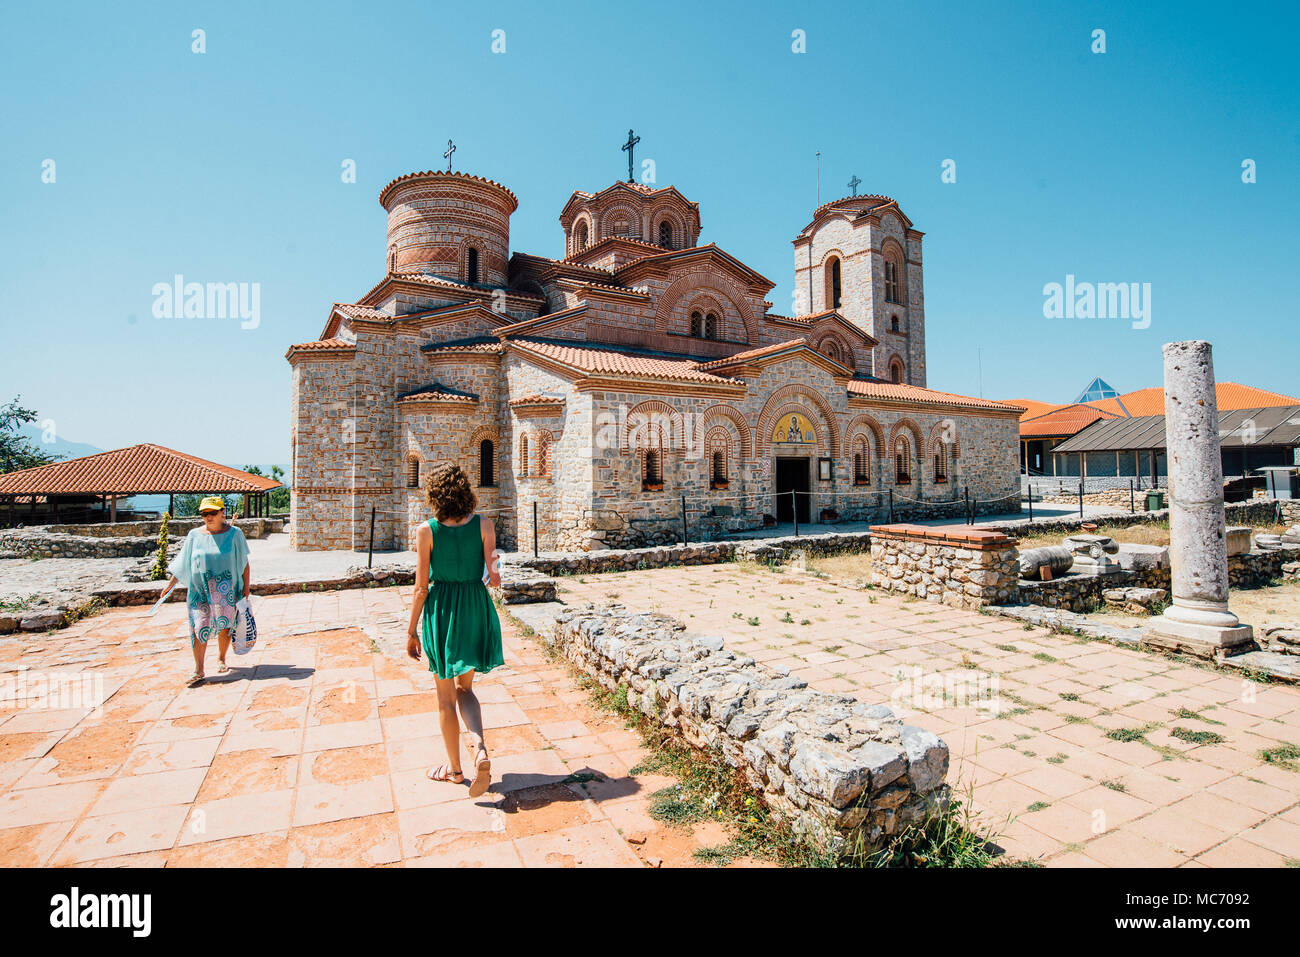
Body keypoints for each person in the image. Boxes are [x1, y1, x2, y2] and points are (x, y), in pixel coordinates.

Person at [405, 463, 503, 798]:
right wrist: (489, 569)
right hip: (474, 606)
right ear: (465, 490)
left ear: (434, 494)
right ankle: (480, 748)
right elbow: (495, 576)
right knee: (466, 689)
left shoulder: (426, 531)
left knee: (445, 698)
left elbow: (421, 587)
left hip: (442, 610)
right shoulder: (485, 524)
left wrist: (411, 630)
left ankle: (455, 770)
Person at [166, 497, 251, 688]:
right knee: (198, 626)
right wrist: (170, 584)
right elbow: (183, 561)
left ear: (222, 512)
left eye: (212, 513)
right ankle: (199, 668)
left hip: (226, 588)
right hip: (200, 590)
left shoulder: (235, 534)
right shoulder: (194, 535)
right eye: (204, 514)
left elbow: (244, 563)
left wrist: (246, 587)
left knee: (225, 625)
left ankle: (221, 657)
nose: (208, 517)